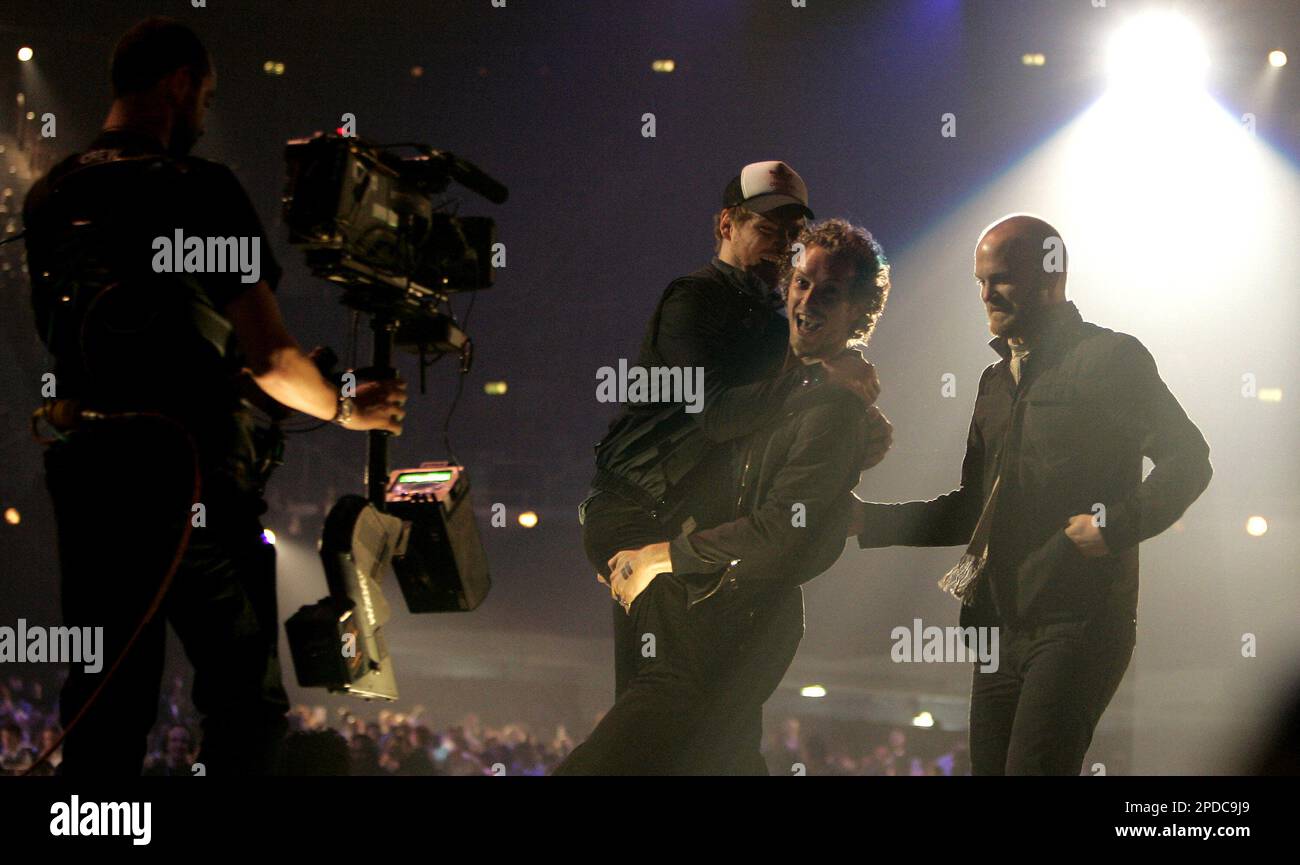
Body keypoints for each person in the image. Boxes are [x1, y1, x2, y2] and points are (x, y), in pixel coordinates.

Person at [22, 17, 407, 776]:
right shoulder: (199, 187)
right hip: (187, 479)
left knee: (106, 700)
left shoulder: (49, 195)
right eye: (207, 96)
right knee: (242, 701)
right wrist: (343, 405)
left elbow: (126, 353)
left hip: (86, 471)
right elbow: (271, 357)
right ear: (181, 84)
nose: (205, 114)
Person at [851, 213, 1212, 775]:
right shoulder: (993, 383)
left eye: (1001, 279)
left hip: (1078, 618)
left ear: (1053, 279)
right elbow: (972, 510)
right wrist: (865, 522)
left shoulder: (1110, 358)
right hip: (998, 624)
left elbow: (1188, 458)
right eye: (980, 281)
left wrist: (1114, 526)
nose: (987, 294)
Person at [557, 218, 891, 774]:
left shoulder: (830, 401)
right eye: (801, 282)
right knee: (711, 748)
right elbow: (714, 419)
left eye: (829, 292)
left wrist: (657, 555)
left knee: (668, 726)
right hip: (708, 577)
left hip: (747, 603)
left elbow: (783, 528)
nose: (807, 299)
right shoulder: (768, 361)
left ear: (859, 310)